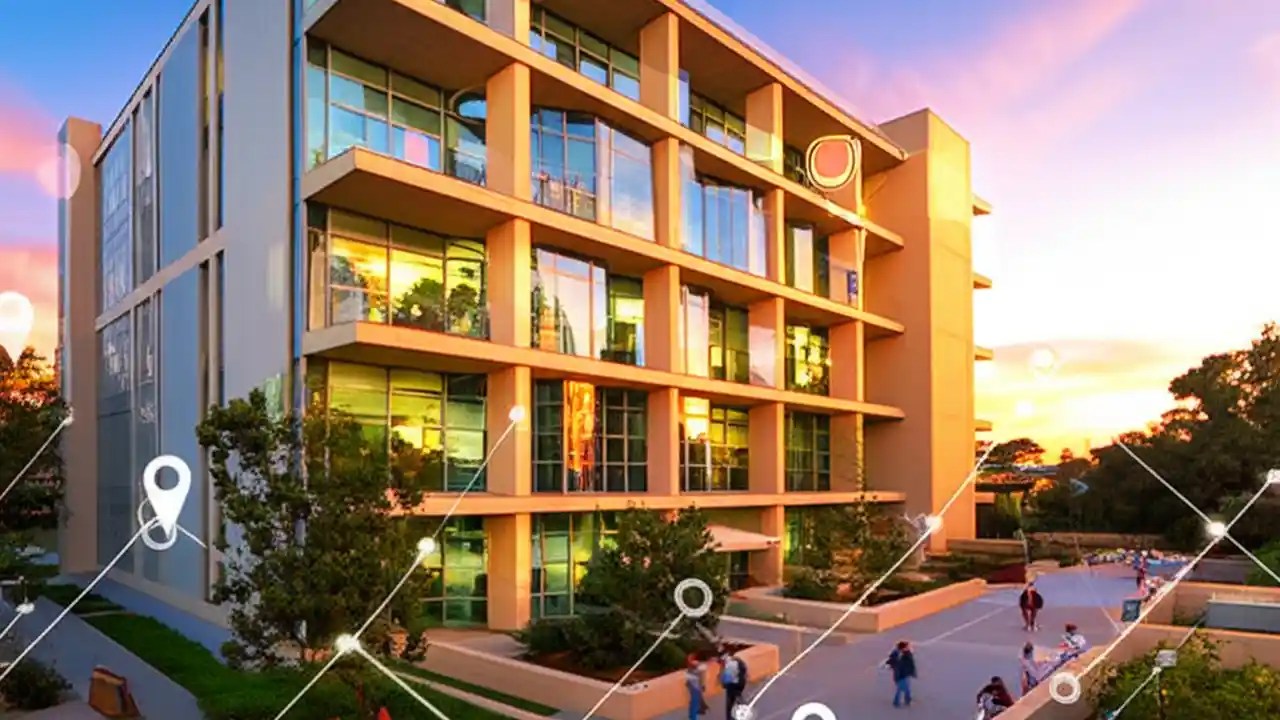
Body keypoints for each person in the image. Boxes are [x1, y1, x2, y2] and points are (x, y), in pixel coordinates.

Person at [717, 648, 749, 719]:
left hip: (733, 684)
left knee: (730, 703)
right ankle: (742, 707)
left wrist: (723, 682)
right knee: (735, 698)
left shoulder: (729, 664)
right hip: (739, 683)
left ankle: (737, 713)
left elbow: (727, 679)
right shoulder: (735, 660)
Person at [885, 640, 916, 708]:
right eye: (907, 646)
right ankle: (899, 701)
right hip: (902, 674)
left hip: (902, 673)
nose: (909, 647)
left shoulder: (899, 653)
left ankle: (906, 700)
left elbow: (891, 661)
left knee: (905, 688)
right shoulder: (903, 654)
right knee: (902, 688)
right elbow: (910, 663)